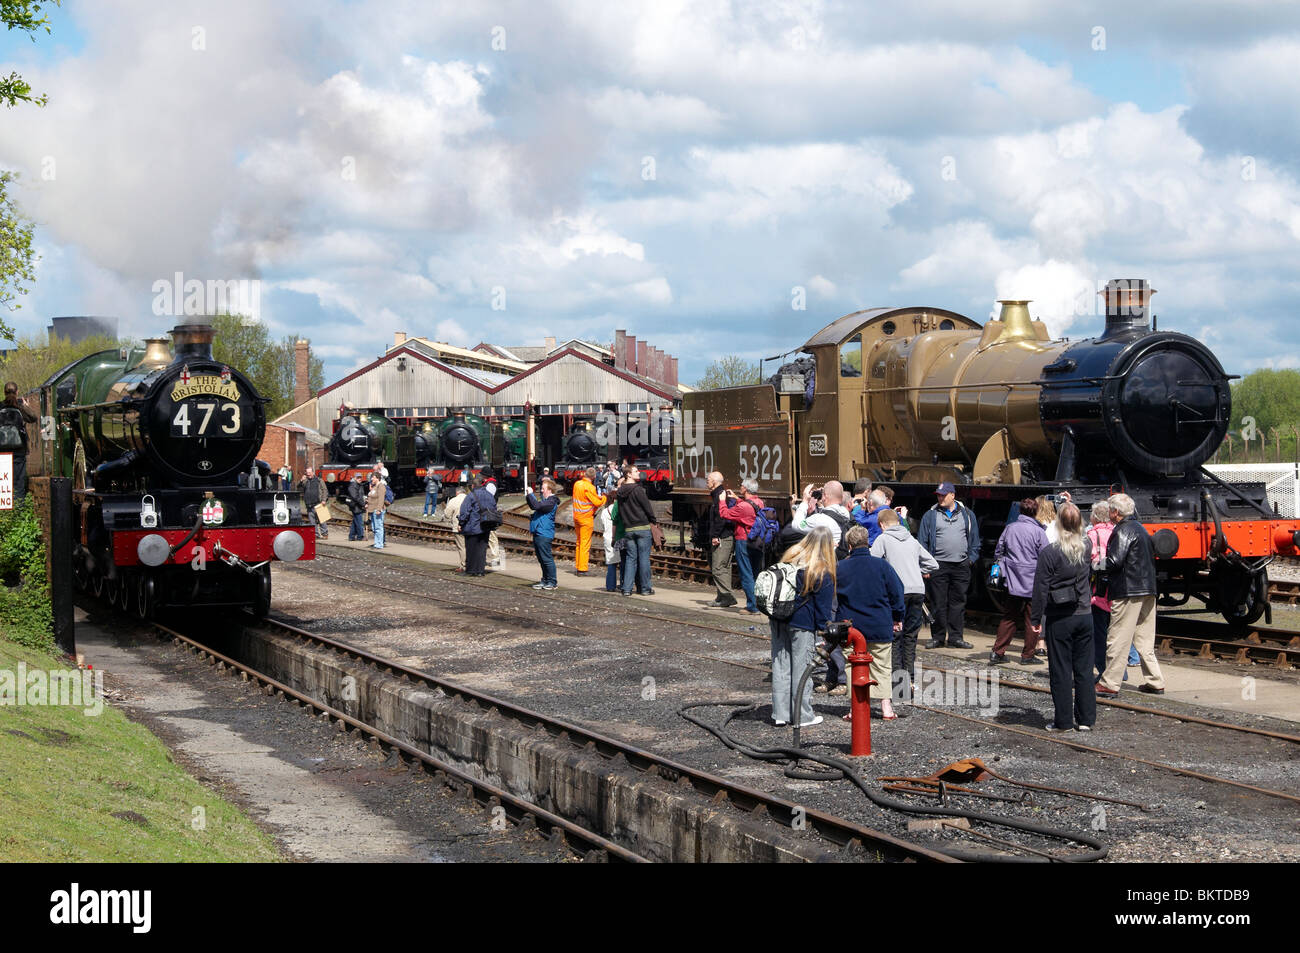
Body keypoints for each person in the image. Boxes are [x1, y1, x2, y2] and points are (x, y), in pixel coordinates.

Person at [1029, 502, 1097, 731]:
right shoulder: (1086, 547)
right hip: (1085, 615)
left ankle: (1064, 721)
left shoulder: (1049, 553)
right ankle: (1086, 720)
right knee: (1084, 670)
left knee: (1060, 671)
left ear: (1057, 523)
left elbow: (1040, 589)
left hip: (1060, 617)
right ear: (1080, 524)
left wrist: (1035, 620)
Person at [1097, 493, 1165, 696]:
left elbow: (1114, 561)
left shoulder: (1123, 530)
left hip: (1128, 591)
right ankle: (1155, 681)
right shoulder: (1140, 529)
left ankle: (1109, 683)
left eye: (1110, 509)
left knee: (1118, 638)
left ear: (1115, 512)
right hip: (1148, 590)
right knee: (1144, 638)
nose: (1109, 512)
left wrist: (1094, 565)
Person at [769, 526, 836, 728]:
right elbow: (823, 610)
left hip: (778, 619)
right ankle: (803, 716)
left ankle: (780, 714)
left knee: (781, 666)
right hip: (802, 624)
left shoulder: (790, 557)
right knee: (802, 669)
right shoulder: (821, 570)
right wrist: (825, 630)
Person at [837, 526, 906, 720]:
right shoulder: (882, 566)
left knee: (852, 666)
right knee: (882, 666)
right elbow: (897, 593)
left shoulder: (840, 567)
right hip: (880, 624)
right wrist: (897, 617)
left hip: (850, 627)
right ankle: (886, 708)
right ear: (868, 543)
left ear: (849, 546)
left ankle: (855, 709)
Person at [871, 507, 938, 701]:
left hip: (898, 593)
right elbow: (933, 564)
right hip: (917, 591)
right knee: (910, 637)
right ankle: (910, 682)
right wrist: (916, 570)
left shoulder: (883, 539)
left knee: (896, 637)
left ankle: (898, 687)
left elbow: (874, 563)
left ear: (882, 524)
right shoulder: (912, 539)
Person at [917, 481, 979, 649]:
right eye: (938, 495)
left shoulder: (967, 514)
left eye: (943, 495)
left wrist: (971, 559)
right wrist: (925, 566)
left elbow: (974, 540)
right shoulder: (930, 515)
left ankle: (955, 637)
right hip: (938, 566)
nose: (940, 498)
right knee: (938, 602)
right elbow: (922, 542)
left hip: (961, 565)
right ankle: (937, 637)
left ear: (953, 495)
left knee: (958, 602)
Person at [990, 498, 1049, 665]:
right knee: (1033, 619)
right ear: (1035, 512)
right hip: (1033, 582)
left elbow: (999, 551)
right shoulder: (1039, 532)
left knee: (1009, 616)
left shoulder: (1010, 528)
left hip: (1013, 581)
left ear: (1020, 511)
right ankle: (1027, 655)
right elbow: (1045, 558)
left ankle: (997, 652)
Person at [719, 478, 767, 613]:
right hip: (758, 541)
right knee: (756, 573)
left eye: (741, 486)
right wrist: (736, 498)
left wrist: (722, 500)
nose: (740, 487)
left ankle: (752, 606)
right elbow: (748, 508)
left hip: (744, 541)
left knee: (746, 574)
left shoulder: (742, 507)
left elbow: (725, 513)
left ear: (745, 489)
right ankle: (759, 604)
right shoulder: (760, 502)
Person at [615, 466, 657, 596]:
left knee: (630, 559)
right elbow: (647, 507)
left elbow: (621, 511)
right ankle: (645, 588)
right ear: (628, 474)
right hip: (642, 528)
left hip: (629, 529)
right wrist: (653, 519)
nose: (639, 473)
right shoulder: (638, 490)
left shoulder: (620, 491)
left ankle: (627, 589)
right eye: (635, 471)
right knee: (644, 558)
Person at [705, 471, 736, 608]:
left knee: (718, 568)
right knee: (724, 568)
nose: (707, 482)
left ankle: (728, 596)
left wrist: (715, 535)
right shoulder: (718, 494)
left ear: (714, 481)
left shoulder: (720, 495)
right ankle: (721, 597)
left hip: (723, 536)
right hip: (725, 535)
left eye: (708, 480)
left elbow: (721, 518)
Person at [1, 382, 38, 499]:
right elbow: (33, 418)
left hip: (1, 451)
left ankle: (4, 513)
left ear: (4, 392)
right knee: (18, 484)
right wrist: (26, 405)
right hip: (19, 451)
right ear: (17, 392)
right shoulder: (20, 407)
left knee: (3, 482)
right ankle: (19, 511)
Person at [789, 480, 852, 548]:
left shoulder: (817, 520)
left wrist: (805, 501)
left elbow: (796, 525)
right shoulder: (846, 514)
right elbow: (830, 513)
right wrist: (821, 503)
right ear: (841, 497)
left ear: (824, 496)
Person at [458, 474, 496, 576]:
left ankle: (471, 570)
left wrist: (461, 523)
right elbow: (494, 508)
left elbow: (464, 511)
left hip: (472, 526)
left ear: (473, 486)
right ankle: (480, 571)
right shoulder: (489, 495)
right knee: (482, 549)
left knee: (471, 549)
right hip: (486, 526)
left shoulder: (471, 496)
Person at [571, 466, 606, 574]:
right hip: (586, 518)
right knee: (585, 544)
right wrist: (604, 497)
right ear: (594, 477)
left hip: (576, 517)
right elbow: (597, 503)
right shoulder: (589, 487)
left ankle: (578, 565)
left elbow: (588, 498)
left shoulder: (577, 484)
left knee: (579, 542)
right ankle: (582, 569)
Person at [526, 478, 559, 590]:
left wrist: (531, 494)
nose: (541, 491)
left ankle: (552, 581)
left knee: (546, 558)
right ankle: (545, 580)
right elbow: (533, 505)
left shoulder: (551, 501)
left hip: (544, 533)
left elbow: (536, 506)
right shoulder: (547, 501)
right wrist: (528, 496)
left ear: (549, 490)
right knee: (541, 558)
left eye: (543, 489)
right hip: (539, 532)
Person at [600, 487, 624, 592]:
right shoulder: (621, 509)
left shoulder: (604, 512)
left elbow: (602, 525)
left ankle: (610, 586)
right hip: (619, 537)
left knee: (611, 563)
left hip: (608, 538)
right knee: (623, 562)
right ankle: (624, 584)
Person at [443, 482, 469, 571]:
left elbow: (447, 515)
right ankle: (473, 563)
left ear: (457, 493)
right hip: (471, 527)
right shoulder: (470, 498)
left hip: (458, 527)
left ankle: (464, 565)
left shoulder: (453, 500)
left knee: (462, 547)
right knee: (471, 546)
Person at [482, 467, 505, 569]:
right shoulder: (489, 484)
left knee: (492, 536)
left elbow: (487, 498)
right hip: (487, 512)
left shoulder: (490, 485)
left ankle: (496, 558)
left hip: (489, 513)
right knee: (489, 536)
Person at [300, 467, 329, 539]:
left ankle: (325, 534)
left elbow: (325, 490)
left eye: (310, 473)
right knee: (312, 521)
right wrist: (301, 481)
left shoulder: (319, 480)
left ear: (313, 472)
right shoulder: (305, 481)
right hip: (309, 504)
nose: (308, 474)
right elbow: (299, 488)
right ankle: (315, 534)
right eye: (307, 473)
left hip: (318, 503)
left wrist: (324, 499)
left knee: (322, 519)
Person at [366, 471, 388, 549]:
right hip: (372, 510)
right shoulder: (374, 486)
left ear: (377, 478)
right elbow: (371, 496)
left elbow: (381, 499)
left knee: (378, 527)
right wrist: (367, 503)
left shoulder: (381, 486)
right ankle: (376, 543)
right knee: (374, 528)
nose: (372, 479)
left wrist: (379, 509)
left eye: (373, 477)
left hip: (377, 510)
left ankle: (379, 544)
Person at [345, 473, 367, 541]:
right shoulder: (353, 486)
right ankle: (360, 536)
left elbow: (360, 495)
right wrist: (363, 504)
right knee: (359, 522)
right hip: (355, 506)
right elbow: (356, 497)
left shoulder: (359, 485)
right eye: (358, 478)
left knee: (355, 521)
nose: (360, 479)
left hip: (358, 505)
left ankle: (351, 536)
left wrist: (365, 500)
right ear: (354, 478)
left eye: (360, 477)